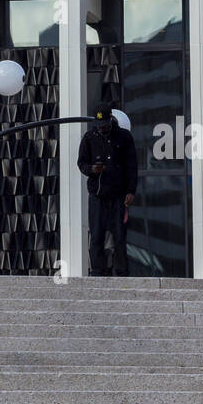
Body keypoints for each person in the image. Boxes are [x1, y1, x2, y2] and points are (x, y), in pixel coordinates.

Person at [77, 104, 137, 277]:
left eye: (104, 123)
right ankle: (97, 270)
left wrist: (131, 190)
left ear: (110, 119)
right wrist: (92, 169)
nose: (101, 127)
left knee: (119, 236)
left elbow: (132, 166)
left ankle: (121, 271)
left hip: (118, 195)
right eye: (98, 123)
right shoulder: (89, 137)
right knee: (96, 235)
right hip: (97, 194)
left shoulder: (124, 137)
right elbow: (81, 163)